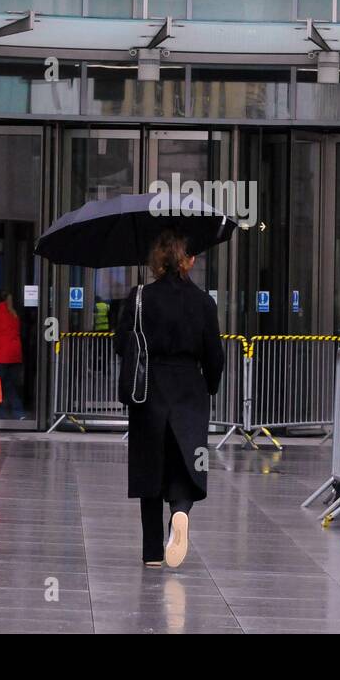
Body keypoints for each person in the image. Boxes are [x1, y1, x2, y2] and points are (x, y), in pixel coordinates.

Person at [115, 229, 224, 569]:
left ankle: (151, 554)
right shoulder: (204, 302)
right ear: (187, 262)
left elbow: (122, 344)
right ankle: (180, 511)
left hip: (149, 391)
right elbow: (214, 355)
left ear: (156, 262)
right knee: (186, 460)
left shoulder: (139, 297)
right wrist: (210, 385)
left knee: (150, 467)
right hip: (190, 388)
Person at [0, 289, 24, 419]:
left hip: (0, 356)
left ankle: (0, 413)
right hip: (14, 356)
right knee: (9, 385)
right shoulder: (14, 314)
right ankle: (18, 411)